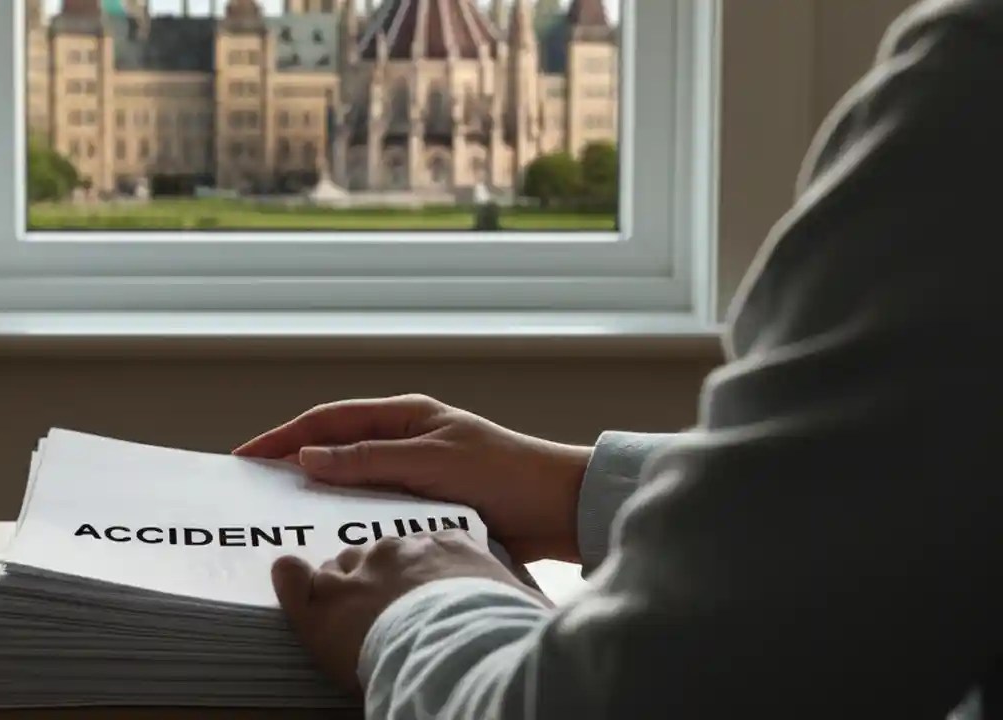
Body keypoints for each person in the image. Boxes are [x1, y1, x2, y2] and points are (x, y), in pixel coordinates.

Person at [234, 0, 1003, 717]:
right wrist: (580, 491)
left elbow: (634, 698)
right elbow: (923, 480)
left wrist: (423, 604)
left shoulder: (977, 83)